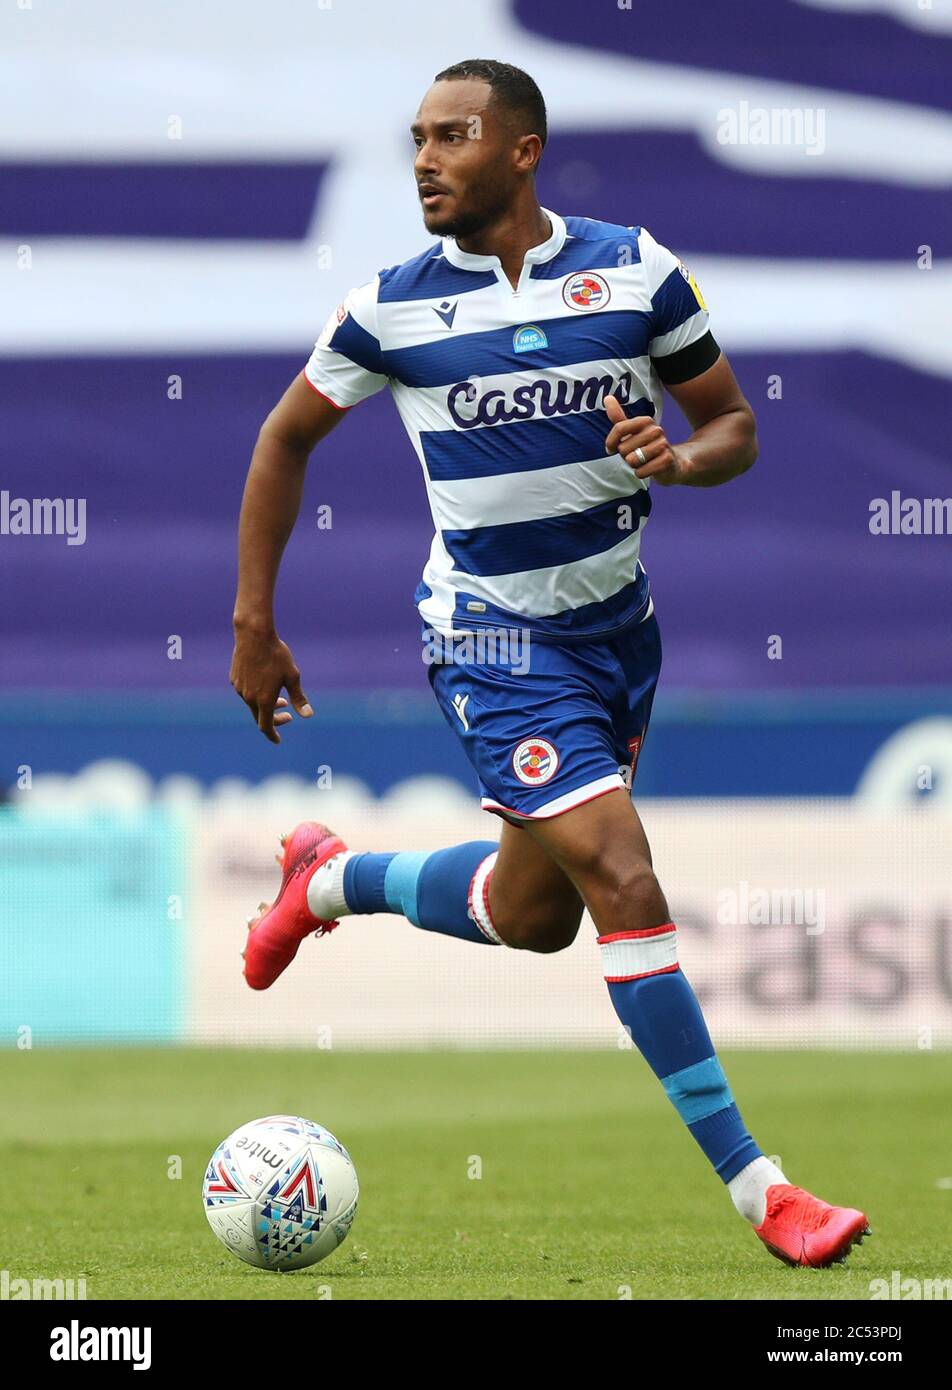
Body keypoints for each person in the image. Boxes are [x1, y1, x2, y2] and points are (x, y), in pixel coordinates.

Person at [230, 58, 869, 1268]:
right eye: (416, 137)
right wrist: (251, 624)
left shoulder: (633, 268)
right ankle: (763, 1191)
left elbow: (731, 424)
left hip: (617, 633)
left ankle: (328, 880)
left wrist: (678, 458)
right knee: (623, 875)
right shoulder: (392, 306)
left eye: (453, 136)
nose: (425, 158)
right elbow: (284, 437)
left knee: (535, 917)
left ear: (520, 150)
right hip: (490, 637)